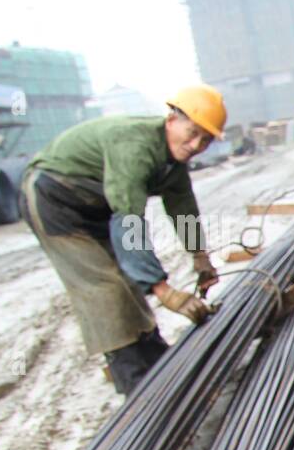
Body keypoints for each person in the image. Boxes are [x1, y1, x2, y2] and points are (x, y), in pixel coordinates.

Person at [19, 85, 227, 394]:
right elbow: (129, 219)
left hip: (91, 207)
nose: (195, 144)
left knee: (127, 282)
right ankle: (132, 378)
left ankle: (155, 359)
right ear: (171, 119)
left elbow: (183, 210)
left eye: (205, 140)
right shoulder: (135, 144)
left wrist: (200, 258)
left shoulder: (173, 164)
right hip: (54, 202)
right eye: (192, 132)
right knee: (106, 289)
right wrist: (163, 290)